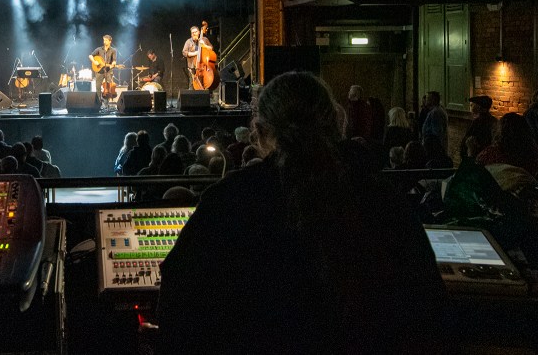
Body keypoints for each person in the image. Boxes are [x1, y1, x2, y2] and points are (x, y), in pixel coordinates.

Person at [158, 71, 447, 354]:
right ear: (337, 124)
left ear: (259, 132)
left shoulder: (228, 203)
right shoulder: (384, 200)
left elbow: (180, 305)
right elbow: (427, 308)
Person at [461, 95, 497, 161]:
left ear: (480, 108)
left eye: (474, 104)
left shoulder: (478, 122)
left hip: (477, 155)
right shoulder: (493, 121)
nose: (471, 106)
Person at [89, 35, 118, 103]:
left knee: (109, 87)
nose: (104, 42)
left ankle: (107, 102)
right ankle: (98, 102)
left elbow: (114, 60)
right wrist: (94, 61)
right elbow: (90, 55)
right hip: (99, 70)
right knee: (98, 86)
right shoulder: (99, 49)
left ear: (110, 41)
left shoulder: (113, 50)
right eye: (104, 40)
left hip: (108, 70)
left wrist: (113, 64)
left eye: (106, 40)